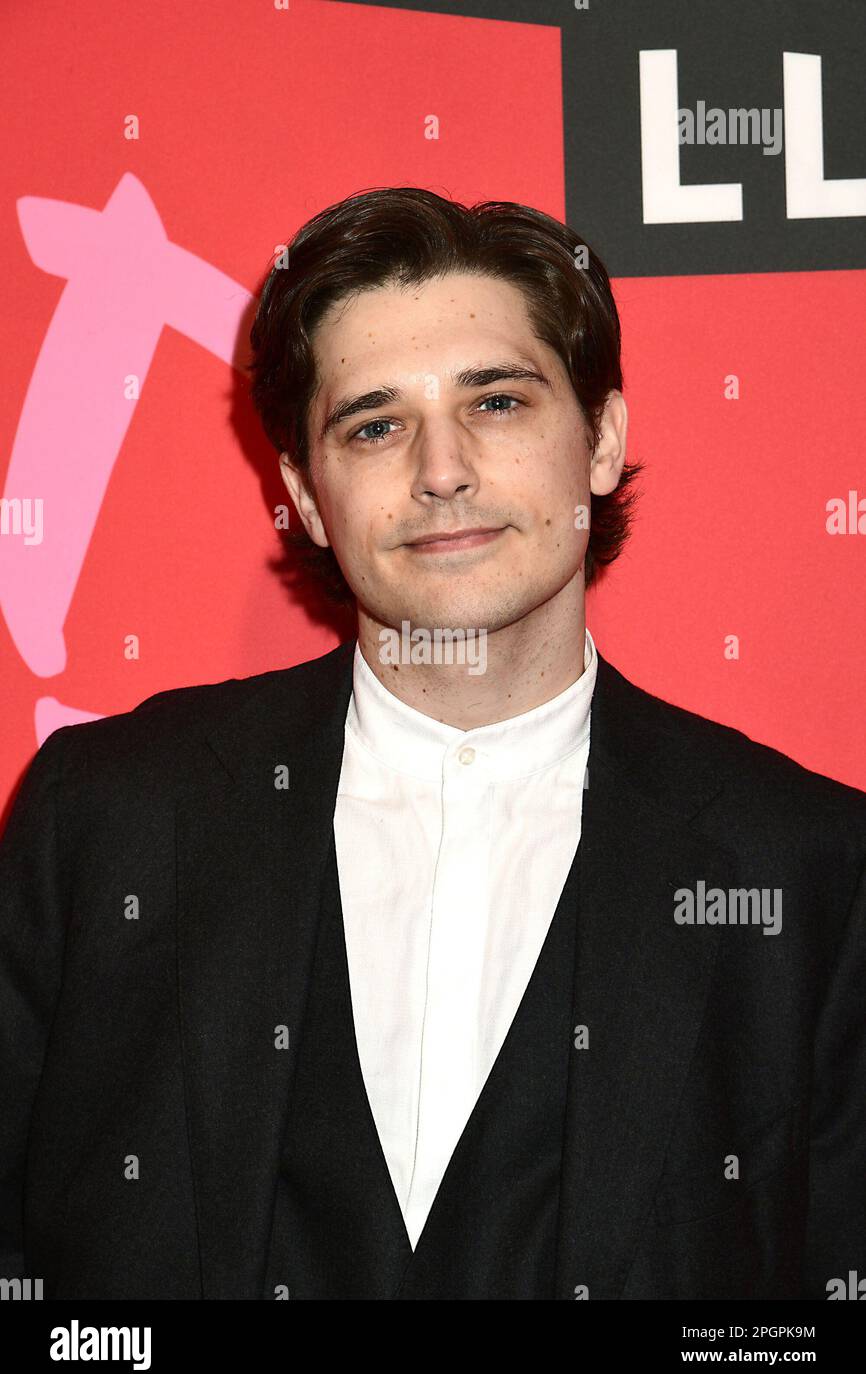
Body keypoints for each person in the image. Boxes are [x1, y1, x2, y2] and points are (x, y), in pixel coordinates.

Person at [1, 187, 864, 1300]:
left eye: (496, 402)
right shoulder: (108, 818)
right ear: (308, 496)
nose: (440, 468)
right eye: (374, 425)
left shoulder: (805, 866)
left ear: (601, 440)